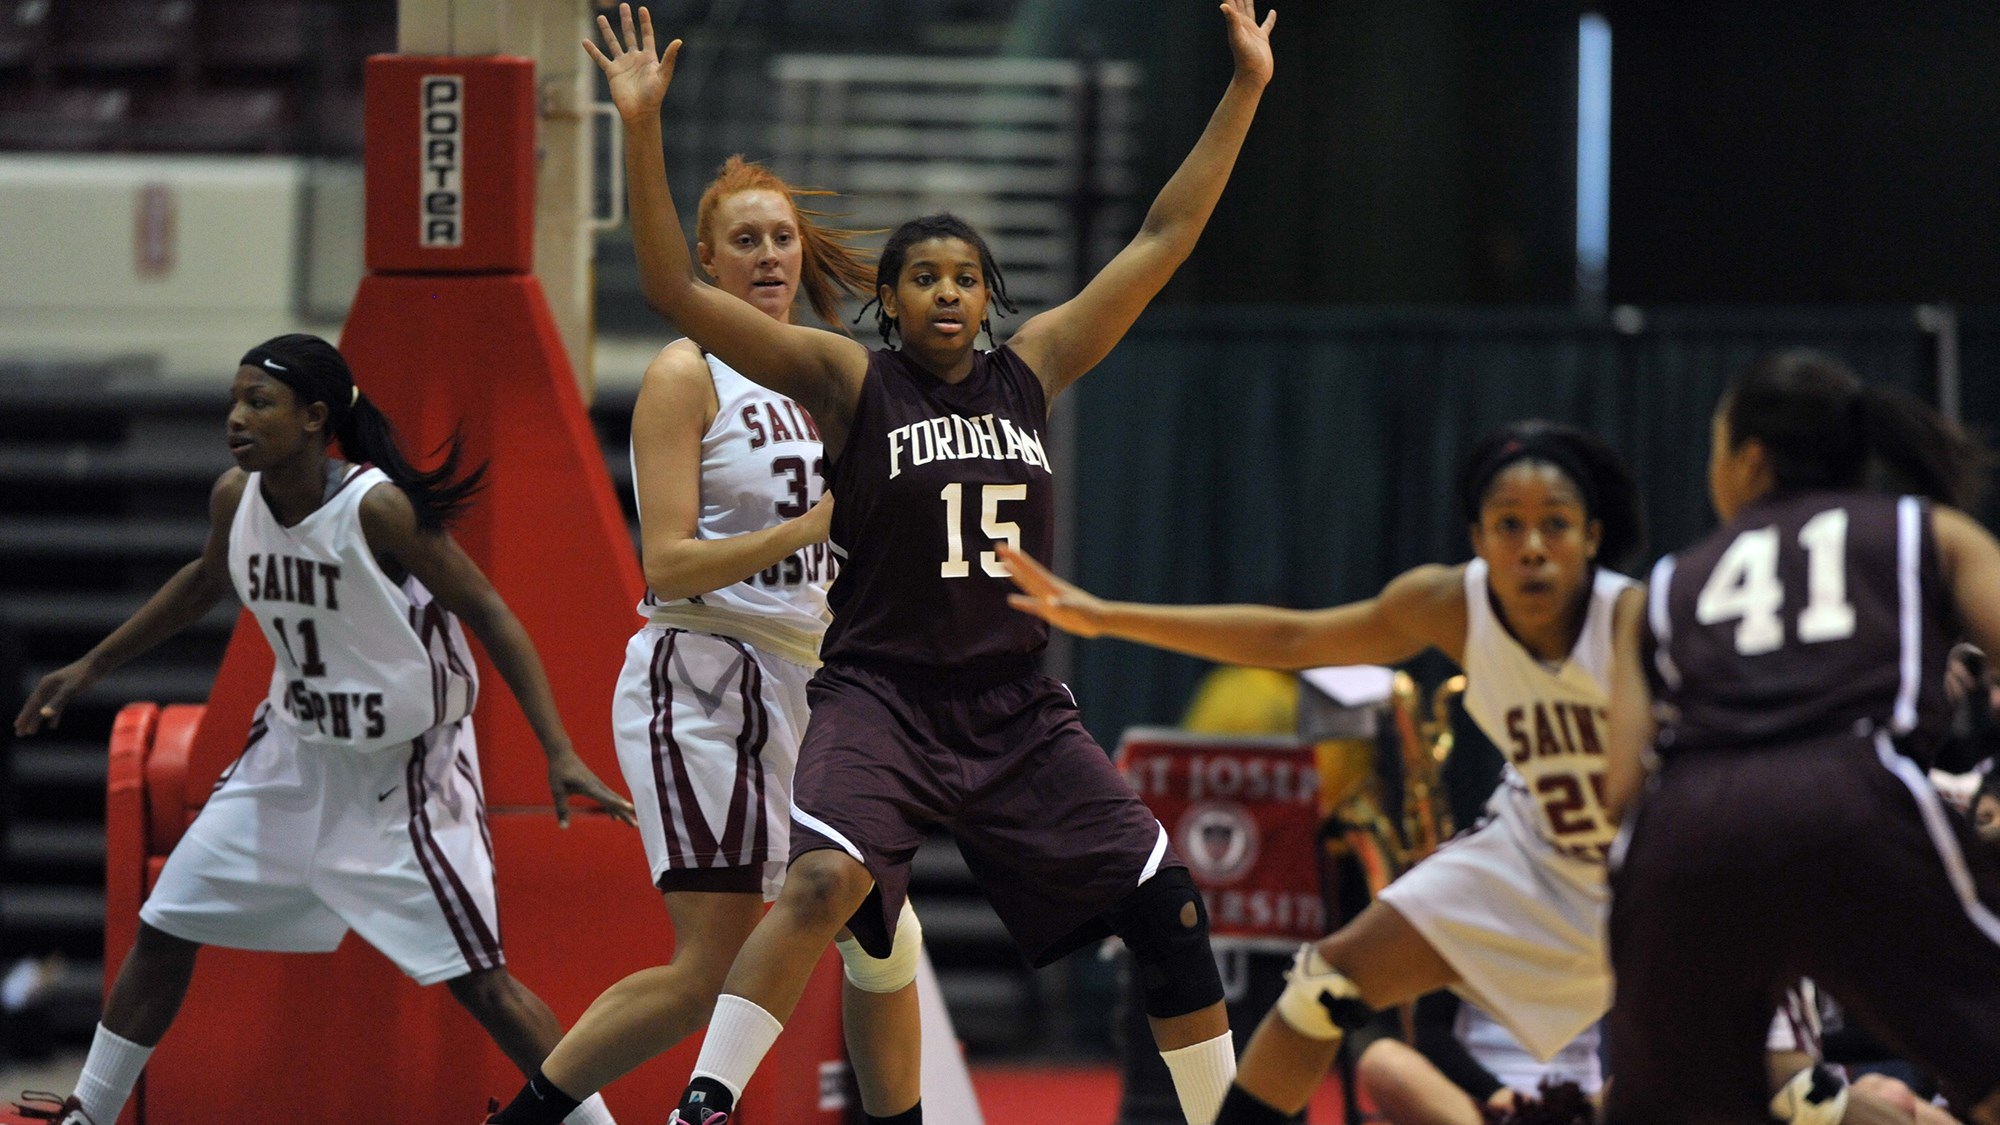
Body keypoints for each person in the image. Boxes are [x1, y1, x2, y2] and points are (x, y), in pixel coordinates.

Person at [582, 2, 1274, 1121]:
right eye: (921, 277)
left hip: (1013, 705)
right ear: (887, 303)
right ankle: (704, 1105)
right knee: (820, 888)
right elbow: (674, 292)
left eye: (964, 276)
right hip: (881, 695)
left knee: (1168, 910)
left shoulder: (1032, 368)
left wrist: (1243, 84)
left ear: (987, 298)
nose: (946, 291)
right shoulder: (850, 381)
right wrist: (642, 128)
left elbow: (1161, 238)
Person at [8, 335, 636, 1125]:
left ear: (313, 418)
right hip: (294, 753)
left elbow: (490, 612)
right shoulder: (235, 498)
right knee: (166, 922)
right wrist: (91, 666)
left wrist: (558, 747)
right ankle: (88, 1116)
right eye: (232, 401)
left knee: (481, 979)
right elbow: (205, 580)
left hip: (402, 770)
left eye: (258, 403)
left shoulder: (374, 508)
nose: (237, 417)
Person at [1002, 419, 1647, 1125]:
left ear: (1592, 535)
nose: (1531, 548)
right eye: (1509, 524)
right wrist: (1106, 616)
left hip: (1647, 864)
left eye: (1555, 524)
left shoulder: (1633, 617)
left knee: (1765, 1079)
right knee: (1323, 985)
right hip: (1534, 851)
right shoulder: (1449, 604)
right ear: (1477, 539)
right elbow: (1293, 637)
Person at [482, 156, 927, 1125]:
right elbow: (670, 564)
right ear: (706, 261)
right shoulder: (687, 372)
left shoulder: (832, 373)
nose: (768, 256)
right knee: (704, 973)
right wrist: (808, 528)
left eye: (780, 238)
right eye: (745, 241)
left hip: (816, 685)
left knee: (887, 937)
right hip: (706, 676)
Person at [1603, 350, 2000, 1125]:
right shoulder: (1926, 529)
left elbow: (1619, 786)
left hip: (1687, 829)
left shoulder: (1665, 584)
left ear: (1750, 461)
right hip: (1850, 796)